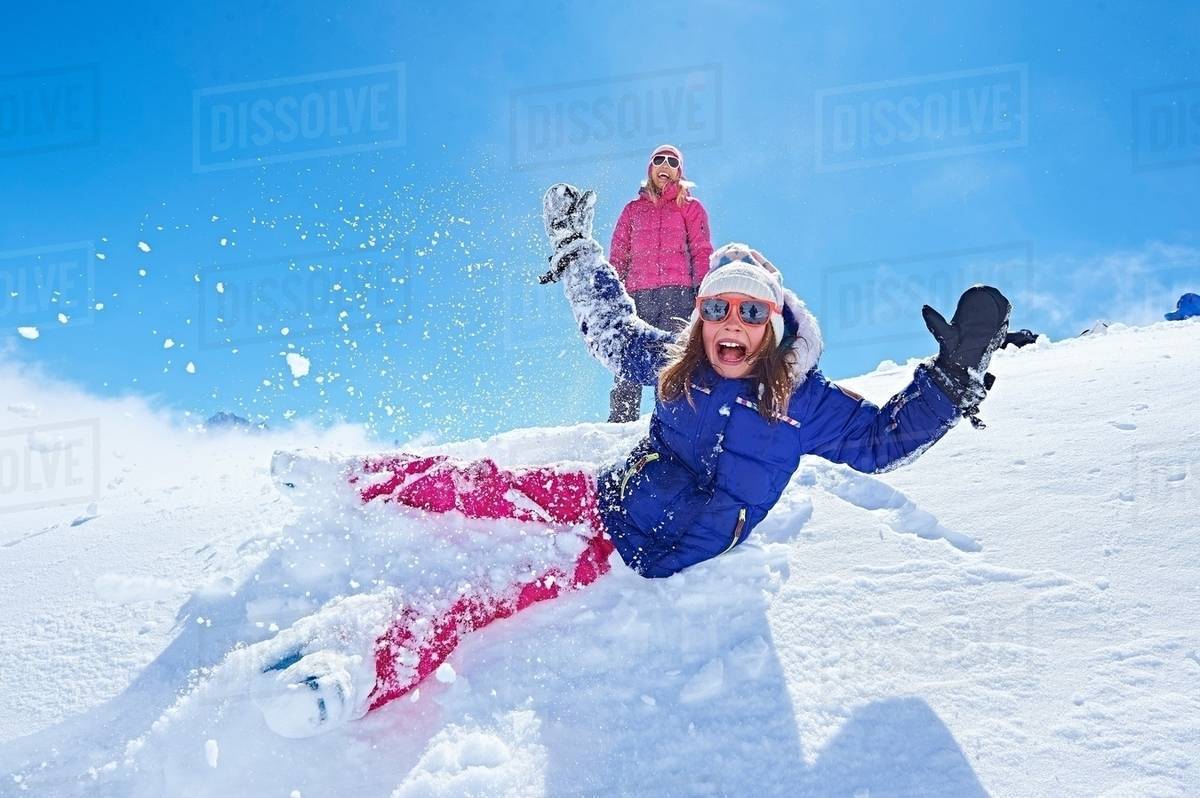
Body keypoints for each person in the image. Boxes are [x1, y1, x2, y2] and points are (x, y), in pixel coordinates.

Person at [251, 184, 1011, 738]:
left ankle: (353, 677)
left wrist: (950, 381)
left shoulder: (801, 402)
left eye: (752, 310)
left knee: (488, 595)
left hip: (637, 555)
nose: (733, 323)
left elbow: (881, 441)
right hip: (609, 492)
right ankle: (349, 479)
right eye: (718, 308)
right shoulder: (681, 364)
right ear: (702, 317)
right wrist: (575, 250)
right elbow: (613, 330)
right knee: (485, 487)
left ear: (776, 323)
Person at [606, 144, 713, 423]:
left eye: (673, 162)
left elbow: (701, 250)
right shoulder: (632, 210)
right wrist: (614, 293)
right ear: (650, 168)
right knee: (628, 355)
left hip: (678, 294)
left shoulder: (689, 208)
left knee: (672, 360)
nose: (665, 165)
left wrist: (703, 293)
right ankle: (621, 420)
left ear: (679, 172)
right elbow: (618, 254)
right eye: (659, 160)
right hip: (636, 296)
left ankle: (670, 423)